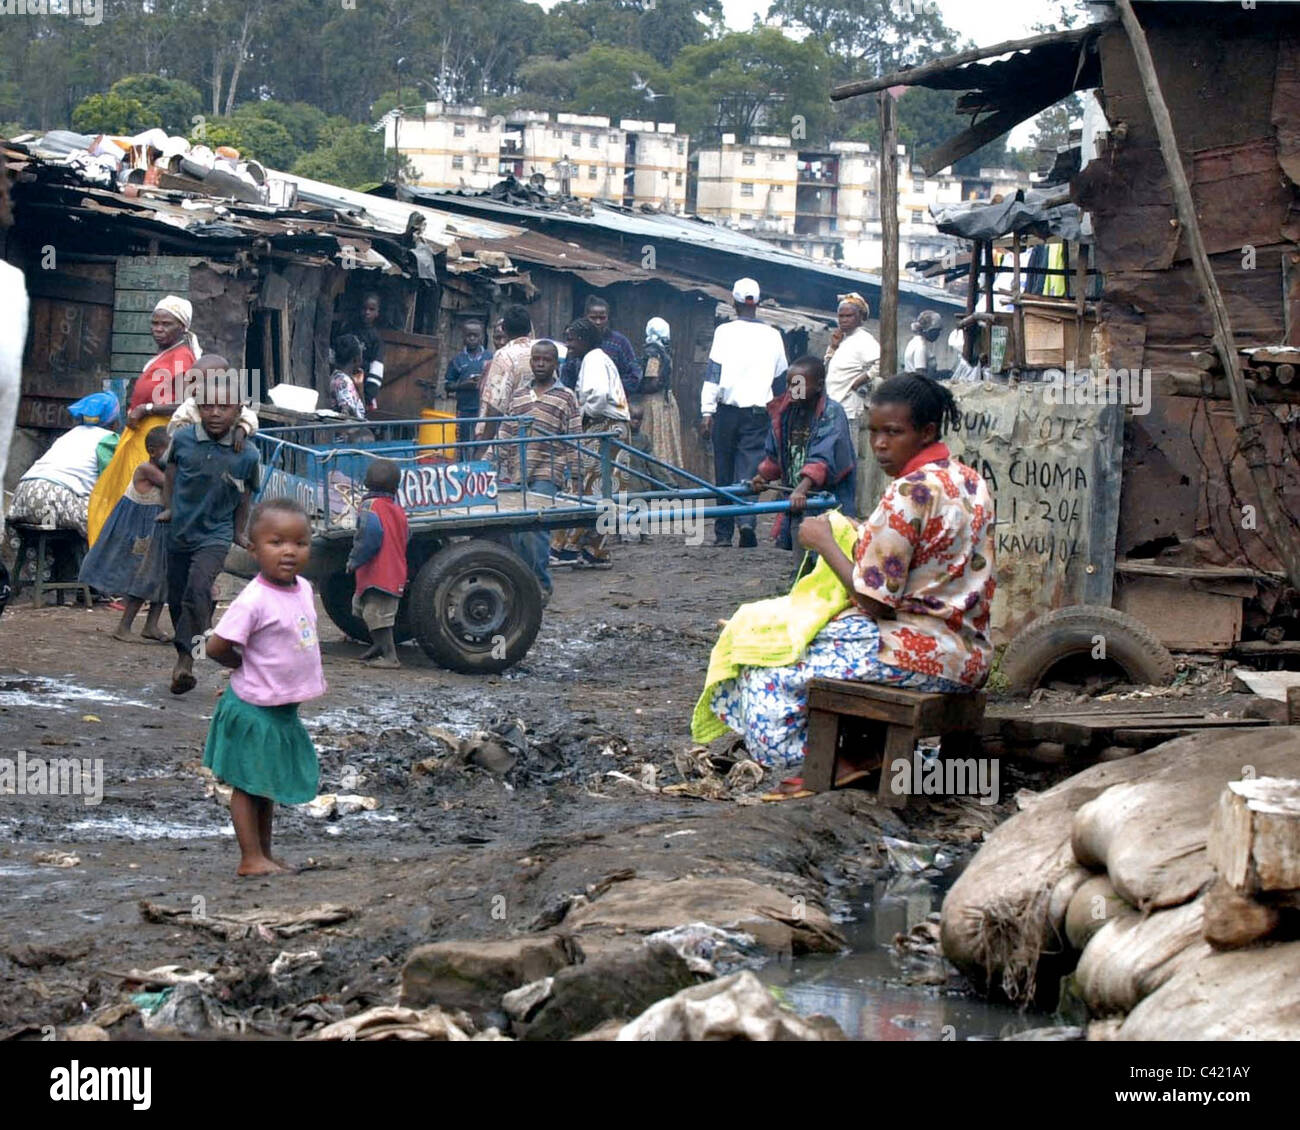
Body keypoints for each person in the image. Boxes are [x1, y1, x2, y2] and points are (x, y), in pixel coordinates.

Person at [693, 373, 996, 800]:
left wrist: (822, 542)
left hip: (919, 650)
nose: (880, 445)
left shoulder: (909, 491)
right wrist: (863, 532)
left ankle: (820, 761)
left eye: (893, 432)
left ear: (927, 431)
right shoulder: (968, 481)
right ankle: (866, 750)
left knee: (763, 666)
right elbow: (927, 555)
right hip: (971, 651)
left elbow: (872, 601)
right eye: (873, 432)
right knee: (802, 639)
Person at [203, 498, 326, 876]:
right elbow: (216, 646)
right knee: (247, 784)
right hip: (253, 708)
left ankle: (265, 854)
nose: (289, 551)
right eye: (276, 542)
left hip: (280, 711)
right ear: (253, 548)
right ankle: (249, 857)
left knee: (265, 785)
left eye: (299, 543)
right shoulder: (254, 599)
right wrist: (241, 665)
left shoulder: (303, 588)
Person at [157, 358, 262, 696]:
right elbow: (170, 470)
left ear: (238, 411)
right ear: (198, 407)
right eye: (209, 407)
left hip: (214, 534)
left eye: (224, 407)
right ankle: (199, 634)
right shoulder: (185, 439)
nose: (216, 413)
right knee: (177, 596)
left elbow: (246, 490)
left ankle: (187, 660)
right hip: (181, 529)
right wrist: (169, 507)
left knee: (198, 587)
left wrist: (238, 530)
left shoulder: (246, 452)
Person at [87, 296, 199, 546]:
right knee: (117, 493)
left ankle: (130, 558)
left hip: (156, 437)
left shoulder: (182, 357)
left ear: (182, 327)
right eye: (155, 323)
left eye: (166, 324)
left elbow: (186, 404)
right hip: (140, 435)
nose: (158, 329)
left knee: (137, 498)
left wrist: (147, 409)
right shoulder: (166, 355)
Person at [701, 278, 789, 548]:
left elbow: (713, 374)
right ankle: (747, 521)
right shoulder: (773, 335)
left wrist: (706, 411)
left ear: (734, 303)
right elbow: (781, 377)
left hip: (726, 411)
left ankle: (723, 532)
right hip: (758, 412)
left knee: (723, 470)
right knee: (751, 469)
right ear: (758, 304)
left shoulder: (723, 332)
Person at [497, 340, 580, 601]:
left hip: (548, 470)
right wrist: (489, 460)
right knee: (519, 533)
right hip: (519, 469)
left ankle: (541, 585)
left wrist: (576, 474)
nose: (540, 364)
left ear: (556, 364)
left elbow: (574, 436)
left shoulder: (565, 396)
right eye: (536, 359)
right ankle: (524, 584)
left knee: (536, 530)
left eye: (546, 360)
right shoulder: (520, 395)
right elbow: (505, 431)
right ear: (530, 362)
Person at [751, 355, 856, 553]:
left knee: (829, 548)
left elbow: (823, 458)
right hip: (796, 496)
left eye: (798, 385)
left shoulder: (831, 413)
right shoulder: (787, 413)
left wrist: (802, 488)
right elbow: (777, 451)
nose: (792, 390)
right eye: (789, 384)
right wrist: (762, 476)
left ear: (818, 385)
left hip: (826, 496)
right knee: (799, 544)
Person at [78, 425, 171, 642]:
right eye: (169, 450)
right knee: (144, 577)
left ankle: (151, 626)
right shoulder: (146, 469)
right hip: (141, 531)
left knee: (161, 577)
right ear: (152, 450)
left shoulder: (165, 470)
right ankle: (123, 627)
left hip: (158, 530)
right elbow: (171, 486)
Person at [552, 317, 630, 568]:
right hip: (610, 426)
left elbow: (597, 397)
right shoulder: (596, 357)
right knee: (603, 488)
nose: (569, 344)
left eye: (571, 340)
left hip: (604, 426)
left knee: (591, 488)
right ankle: (591, 549)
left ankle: (573, 547)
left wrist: (581, 417)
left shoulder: (594, 359)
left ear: (584, 340)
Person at [10, 392, 120, 540]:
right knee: (106, 520)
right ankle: (85, 562)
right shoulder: (108, 439)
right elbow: (110, 481)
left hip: (22, 497)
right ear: (113, 423)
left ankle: (52, 559)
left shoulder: (68, 435)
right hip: (52, 499)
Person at [345, 459, 410, 669]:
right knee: (368, 610)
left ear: (366, 483)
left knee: (377, 615)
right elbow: (407, 535)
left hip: (378, 572)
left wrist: (354, 560)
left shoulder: (369, 507)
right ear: (395, 487)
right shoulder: (397, 509)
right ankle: (378, 646)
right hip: (394, 569)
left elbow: (367, 539)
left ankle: (391, 656)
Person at [823, 292, 881, 457]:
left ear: (860, 317)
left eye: (849, 316)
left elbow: (881, 362)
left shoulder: (865, 340)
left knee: (845, 456)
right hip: (832, 406)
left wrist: (860, 381)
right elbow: (826, 368)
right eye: (841, 316)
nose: (843, 320)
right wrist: (833, 347)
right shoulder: (842, 339)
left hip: (848, 409)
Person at [631, 316, 684, 475]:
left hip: (654, 403)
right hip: (666, 401)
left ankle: (654, 475)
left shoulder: (653, 352)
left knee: (653, 440)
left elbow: (653, 382)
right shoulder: (666, 351)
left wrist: (635, 388)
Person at [476, 305, 534, 444]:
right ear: (529, 329)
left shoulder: (504, 355)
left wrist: (484, 444)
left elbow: (495, 404)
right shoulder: (541, 352)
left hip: (507, 432)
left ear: (505, 329)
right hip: (536, 428)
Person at [560, 296, 641, 395]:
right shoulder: (577, 344)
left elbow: (634, 373)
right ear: (585, 317)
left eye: (602, 318)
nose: (598, 322)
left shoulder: (619, 343)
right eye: (593, 318)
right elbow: (567, 375)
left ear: (608, 318)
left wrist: (612, 389)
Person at [443, 321, 492, 445]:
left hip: (484, 410)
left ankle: (479, 464)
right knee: (463, 443)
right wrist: (464, 385)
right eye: (468, 335)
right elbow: (447, 385)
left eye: (475, 335)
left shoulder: (490, 357)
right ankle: (464, 464)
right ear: (463, 337)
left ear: (481, 336)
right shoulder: (457, 360)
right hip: (464, 409)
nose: (472, 338)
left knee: (482, 442)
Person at [338, 292, 386, 409]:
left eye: (371, 309)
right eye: (364, 308)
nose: (367, 312)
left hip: (361, 384)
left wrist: (368, 394)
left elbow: (376, 368)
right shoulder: (348, 329)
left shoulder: (376, 339)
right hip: (342, 377)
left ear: (377, 313)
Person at [329, 334, 368, 421]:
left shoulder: (343, 378)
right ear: (356, 359)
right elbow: (347, 412)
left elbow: (361, 412)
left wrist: (360, 388)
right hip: (350, 432)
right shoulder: (343, 381)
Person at [904, 311, 943, 378]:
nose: (938, 334)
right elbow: (921, 376)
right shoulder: (921, 347)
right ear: (929, 330)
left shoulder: (914, 341)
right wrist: (941, 375)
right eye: (937, 331)